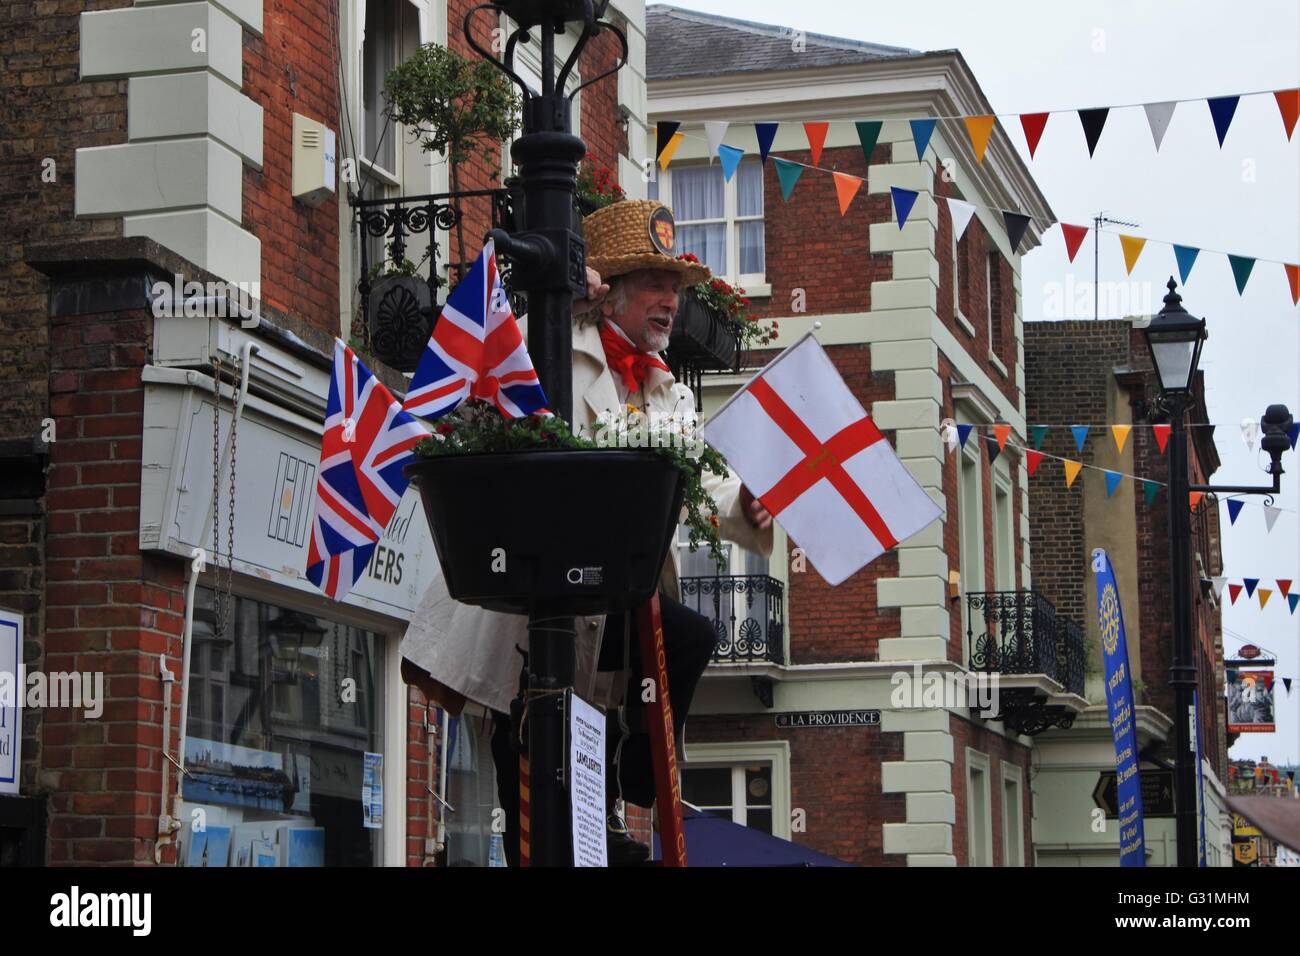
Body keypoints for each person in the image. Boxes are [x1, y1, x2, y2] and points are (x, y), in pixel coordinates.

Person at [400, 199, 773, 865]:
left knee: (667, 656)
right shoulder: (553, 347)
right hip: (534, 601)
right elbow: (496, 364)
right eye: (655, 285)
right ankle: (598, 811)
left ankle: (633, 783)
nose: (670, 302)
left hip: (615, 594)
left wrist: (747, 503)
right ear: (615, 291)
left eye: (675, 289)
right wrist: (562, 299)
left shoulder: (670, 394)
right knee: (532, 761)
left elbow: (699, 483)